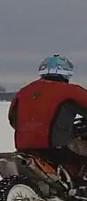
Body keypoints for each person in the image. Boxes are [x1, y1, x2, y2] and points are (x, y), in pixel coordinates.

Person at [9, 55, 87, 189]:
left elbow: (13, 120)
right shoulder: (72, 91)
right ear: (67, 72)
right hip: (56, 147)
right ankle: (80, 187)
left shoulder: (24, 91)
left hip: (24, 146)